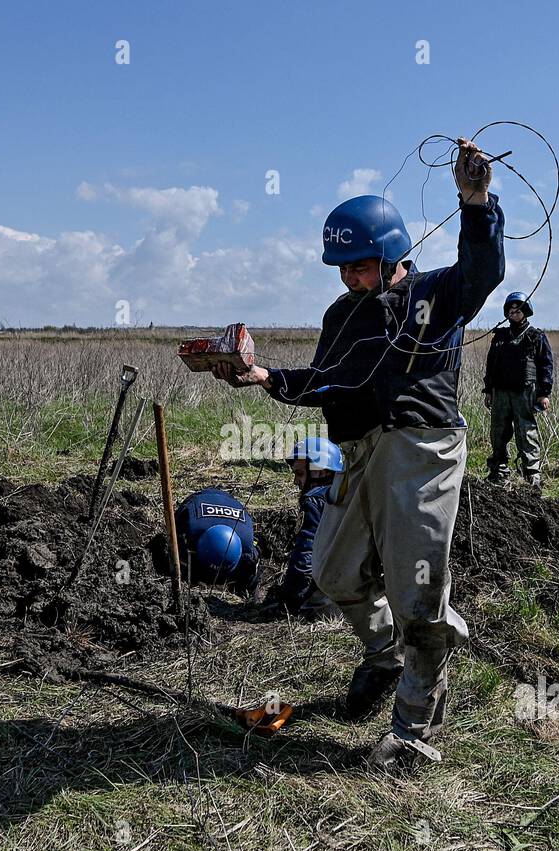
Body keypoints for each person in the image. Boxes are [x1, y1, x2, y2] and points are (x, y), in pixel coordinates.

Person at [212, 138, 506, 772]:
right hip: (358, 450)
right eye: (342, 268)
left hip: (419, 450)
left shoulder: (437, 294)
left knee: (418, 591)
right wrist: (262, 377)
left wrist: (476, 201)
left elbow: (482, 270)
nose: (350, 277)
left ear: (392, 255)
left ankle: (414, 728)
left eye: (361, 265)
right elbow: (329, 379)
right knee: (334, 570)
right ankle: (384, 657)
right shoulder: (341, 312)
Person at [258, 437, 342, 619]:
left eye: (299, 474)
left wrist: (290, 600)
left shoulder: (314, 501)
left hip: (333, 593)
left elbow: (305, 556)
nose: (296, 482)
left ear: (320, 472)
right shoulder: (350, 496)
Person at [482, 290, 554, 489]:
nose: (515, 313)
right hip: (500, 392)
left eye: (518, 310)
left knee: (526, 431)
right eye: (511, 310)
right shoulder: (500, 337)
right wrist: (488, 390)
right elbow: (491, 364)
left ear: (526, 312)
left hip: (525, 392)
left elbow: (546, 366)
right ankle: (499, 470)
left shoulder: (536, 337)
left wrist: (544, 393)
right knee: (498, 431)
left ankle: (532, 473)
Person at [175, 488, 260, 596]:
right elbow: (173, 533)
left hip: (231, 501)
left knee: (248, 569)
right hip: (199, 498)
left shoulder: (246, 542)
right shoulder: (190, 525)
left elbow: (254, 565)